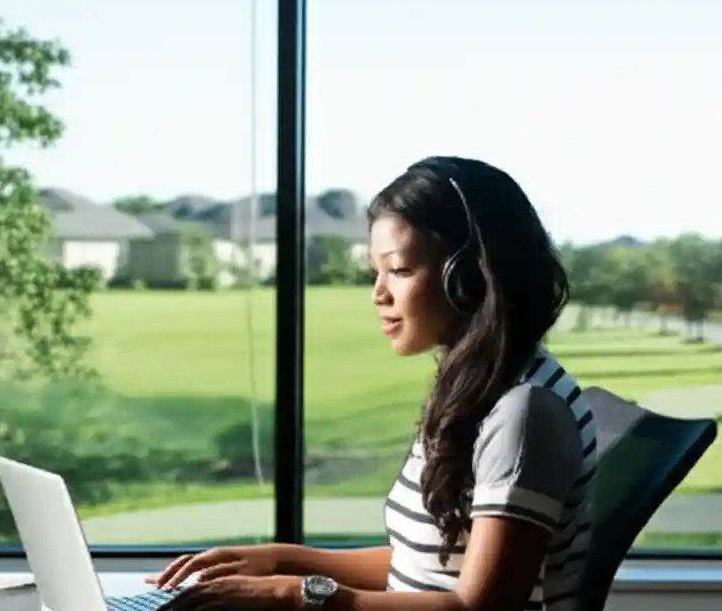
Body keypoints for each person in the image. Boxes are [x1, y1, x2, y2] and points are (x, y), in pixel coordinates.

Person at [153, 156, 597, 611]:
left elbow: (477, 607)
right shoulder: (476, 390)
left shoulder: (526, 413)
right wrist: (279, 561)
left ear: (468, 278)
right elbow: (421, 565)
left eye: (400, 270)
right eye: (375, 272)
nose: (378, 294)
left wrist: (295, 595)